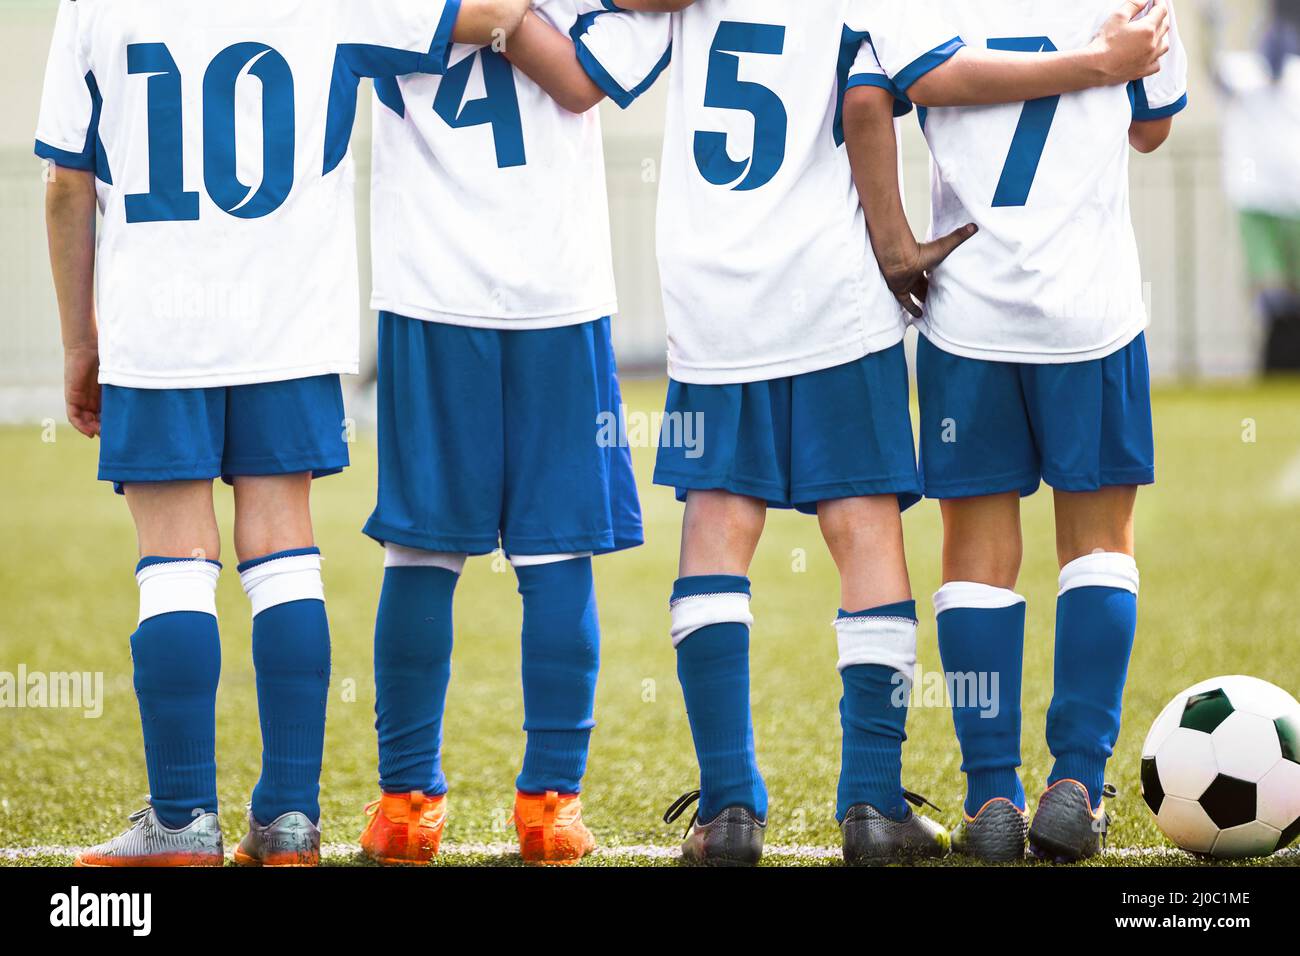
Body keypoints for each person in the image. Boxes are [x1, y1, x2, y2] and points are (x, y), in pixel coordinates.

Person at [508, 0, 1169, 865]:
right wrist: (894, 243)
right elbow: (869, 99)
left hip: (711, 287)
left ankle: (730, 808)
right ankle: (873, 801)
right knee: (864, 531)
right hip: (833, 286)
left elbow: (602, 56)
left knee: (715, 525)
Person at [37, 0, 529, 868]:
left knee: (174, 568)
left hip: (157, 328)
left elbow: (67, 184)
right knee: (285, 554)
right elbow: (491, 15)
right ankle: (291, 819)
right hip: (288, 329)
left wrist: (81, 341)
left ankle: (183, 823)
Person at [861, 0, 1187, 861]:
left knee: (974, 558)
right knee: (1099, 548)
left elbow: (882, 92)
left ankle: (991, 798)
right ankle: (1078, 782)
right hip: (1093, 312)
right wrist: (1096, 64)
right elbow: (1151, 129)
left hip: (967, 308)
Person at [354, 0, 650, 867]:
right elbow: (592, 76)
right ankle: (550, 805)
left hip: (430, 287)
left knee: (418, 550)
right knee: (557, 554)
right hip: (558, 288)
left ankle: (408, 805)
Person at [1207, 0, 1300, 372]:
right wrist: (1213, 25)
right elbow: (1214, 69)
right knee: (1272, 290)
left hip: (1295, 201)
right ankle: (1279, 360)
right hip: (1258, 201)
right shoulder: (1243, 72)